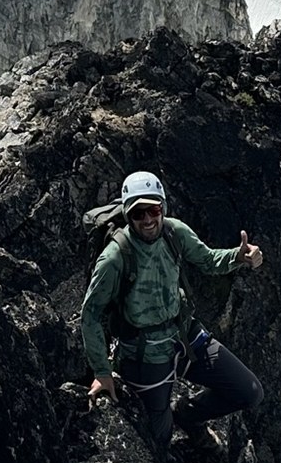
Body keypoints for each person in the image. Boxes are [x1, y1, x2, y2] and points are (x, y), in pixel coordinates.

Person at [82, 170, 264, 448]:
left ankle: (187, 414)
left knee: (248, 391)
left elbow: (208, 260)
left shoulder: (174, 232)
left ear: (162, 208)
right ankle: (169, 420)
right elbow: (91, 314)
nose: (147, 220)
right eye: (138, 213)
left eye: (153, 209)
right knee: (160, 439)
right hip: (144, 353)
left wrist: (238, 257)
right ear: (128, 215)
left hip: (184, 335)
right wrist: (102, 372)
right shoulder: (115, 257)